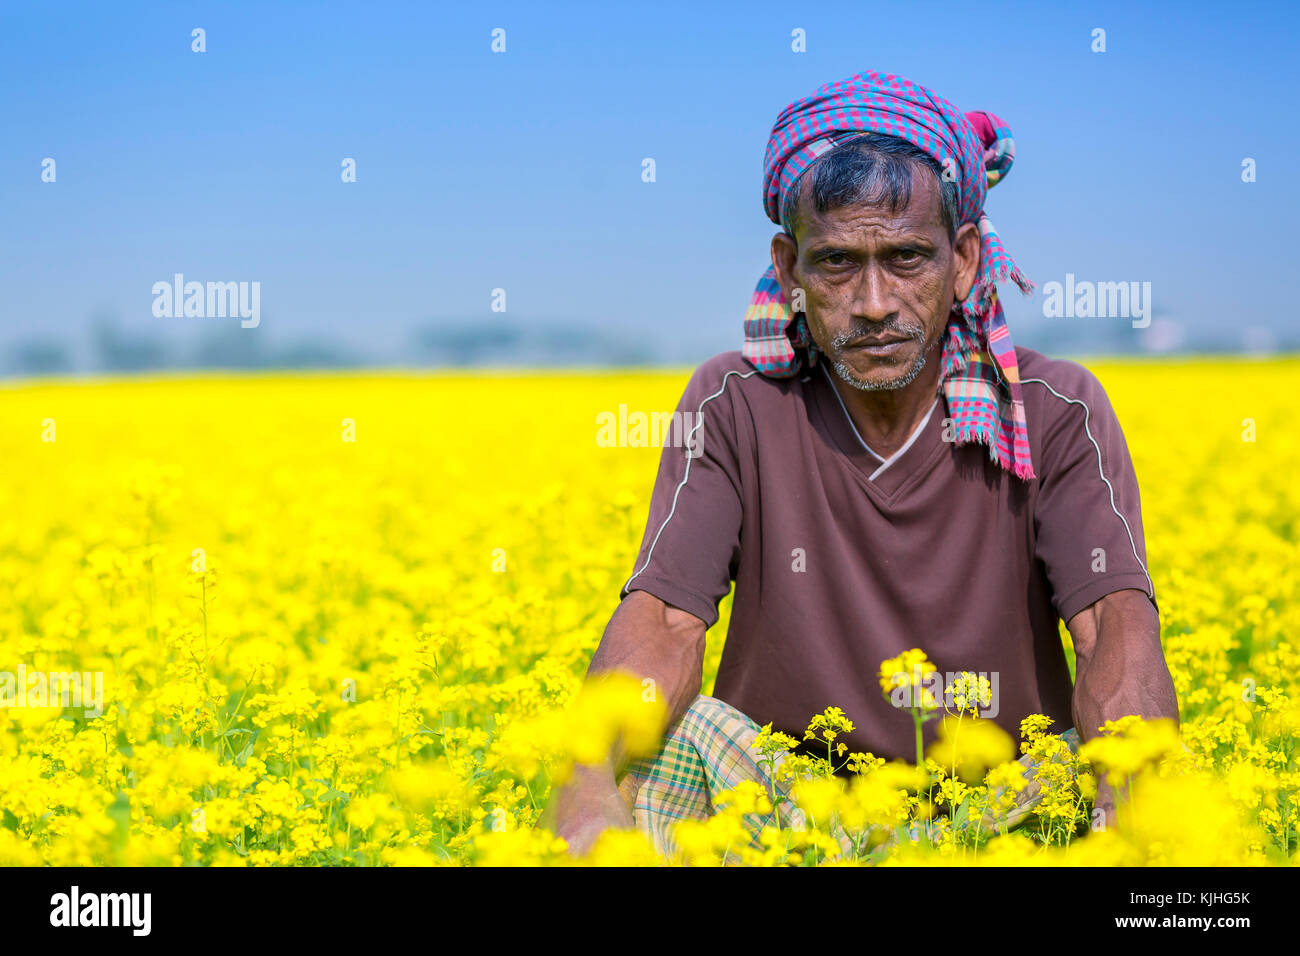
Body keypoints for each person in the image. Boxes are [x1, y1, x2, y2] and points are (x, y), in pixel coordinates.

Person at [540, 69, 1179, 859]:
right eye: (838, 263)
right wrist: (582, 781)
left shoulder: (1052, 408)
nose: (874, 303)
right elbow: (667, 620)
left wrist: (1136, 794)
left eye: (908, 258)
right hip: (783, 812)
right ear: (789, 268)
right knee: (645, 756)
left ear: (967, 260)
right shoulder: (734, 403)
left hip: (1006, 810)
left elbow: (1111, 624)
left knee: (1135, 782)